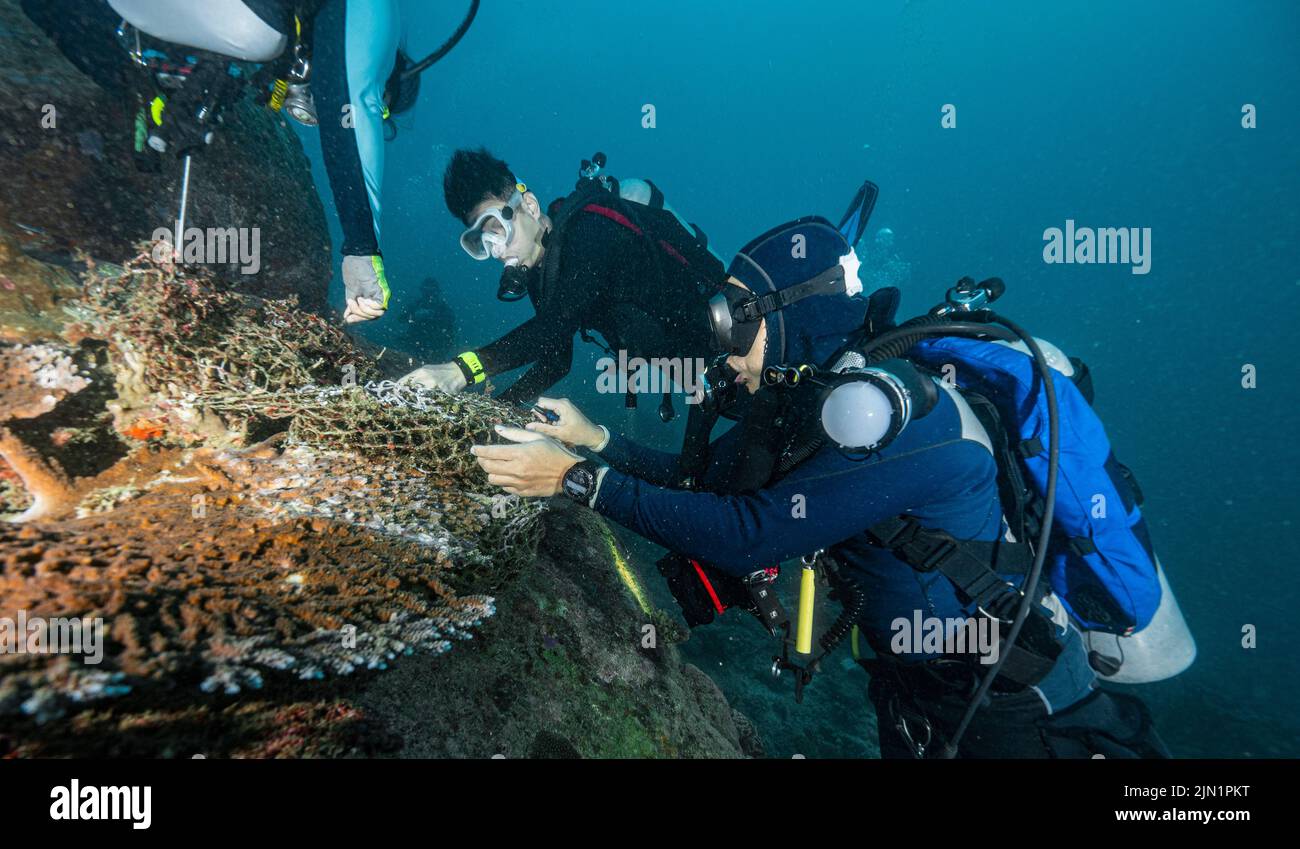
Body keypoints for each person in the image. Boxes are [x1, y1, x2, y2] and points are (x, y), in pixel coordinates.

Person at [468, 215, 1176, 759]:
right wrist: (596, 441)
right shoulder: (815, 406)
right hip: (916, 699)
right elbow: (703, 481)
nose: (720, 341)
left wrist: (575, 480)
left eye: (733, 318)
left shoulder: (895, 411)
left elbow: (752, 533)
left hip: (1013, 706)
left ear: (792, 313)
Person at [88, 0, 475, 324]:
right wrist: (361, 248)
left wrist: (156, 94)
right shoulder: (369, 13)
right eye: (382, 104)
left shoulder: (276, 42)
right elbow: (353, 104)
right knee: (260, 37)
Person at [401, 148, 725, 409]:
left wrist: (460, 370)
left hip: (730, 343)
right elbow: (557, 359)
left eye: (496, 229)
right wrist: (502, 408)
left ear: (528, 205)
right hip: (698, 368)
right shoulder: (543, 268)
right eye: (482, 243)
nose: (497, 251)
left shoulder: (589, 231)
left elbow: (552, 327)